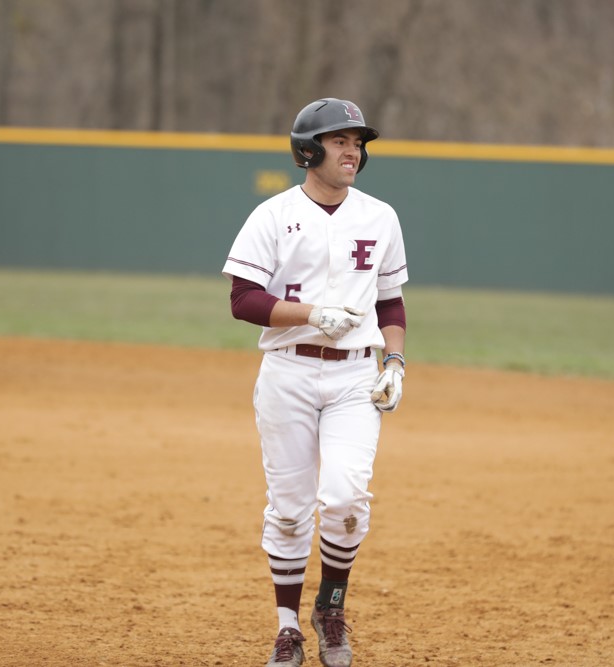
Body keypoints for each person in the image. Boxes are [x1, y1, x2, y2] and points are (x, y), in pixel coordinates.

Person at [222, 97, 409, 667]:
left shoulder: (380, 217)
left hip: (356, 375)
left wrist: (395, 363)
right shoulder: (272, 215)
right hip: (289, 374)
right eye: (341, 141)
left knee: (346, 496)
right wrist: (310, 315)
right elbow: (243, 300)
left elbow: (391, 302)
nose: (353, 151)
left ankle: (330, 607)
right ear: (309, 150)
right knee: (289, 508)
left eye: (358, 143)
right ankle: (286, 628)